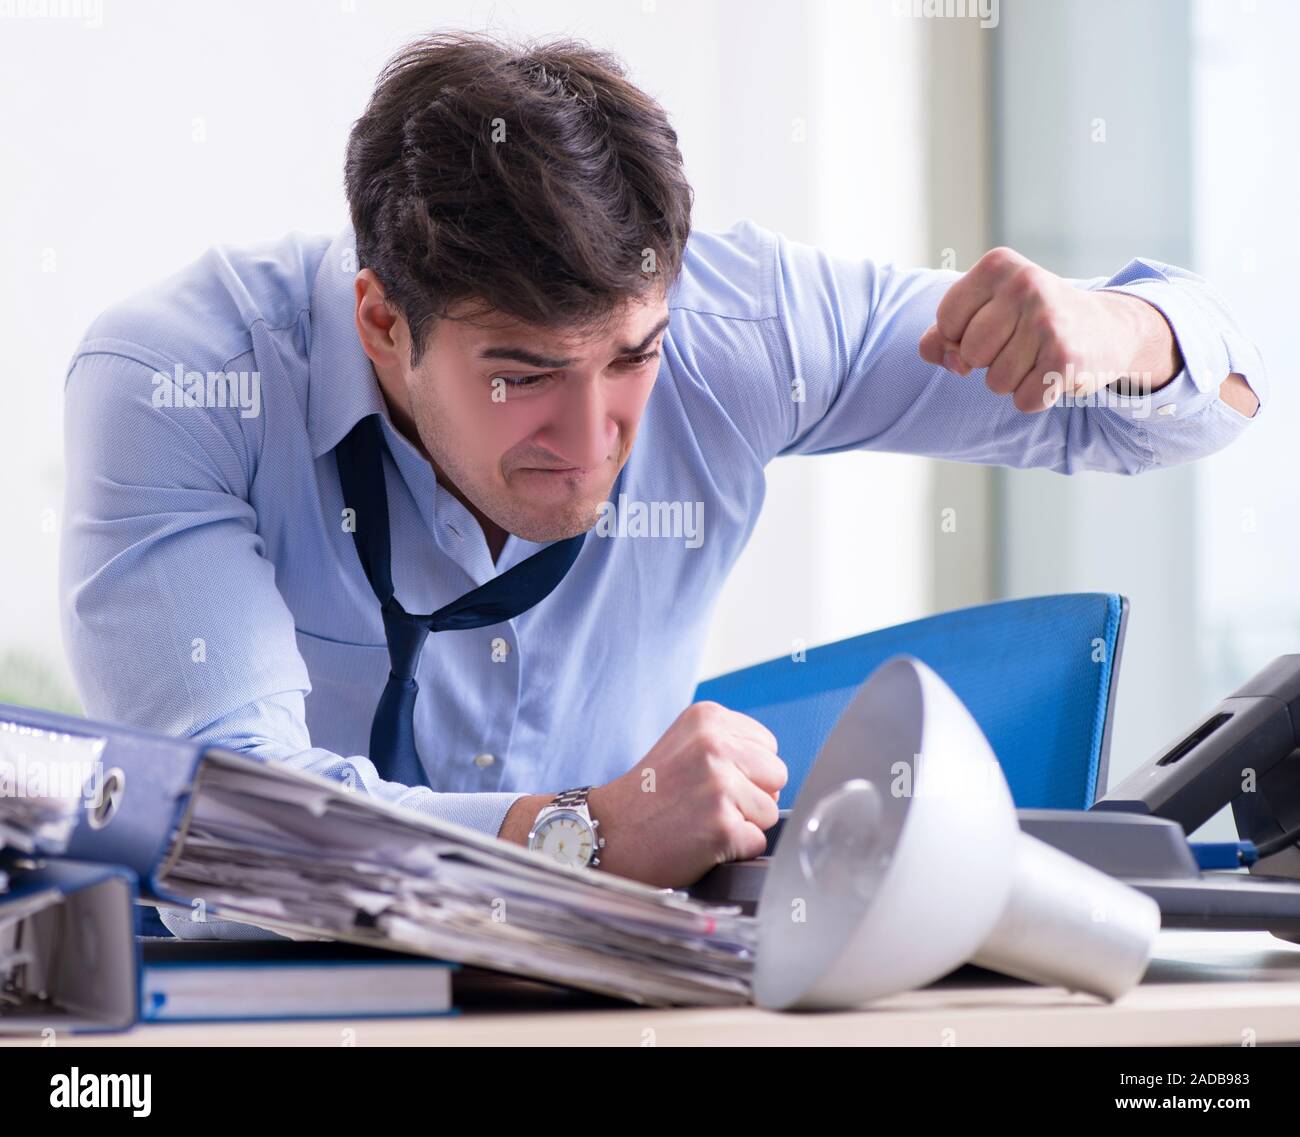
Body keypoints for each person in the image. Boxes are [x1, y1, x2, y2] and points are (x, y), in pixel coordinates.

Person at [60, 32, 1264, 905]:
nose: (590, 447)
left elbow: (1200, 404)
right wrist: (579, 836)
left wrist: (1119, 337)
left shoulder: (745, 327)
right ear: (382, 324)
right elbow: (223, 829)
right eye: (521, 374)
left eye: (633, 357)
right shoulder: (175, 381)